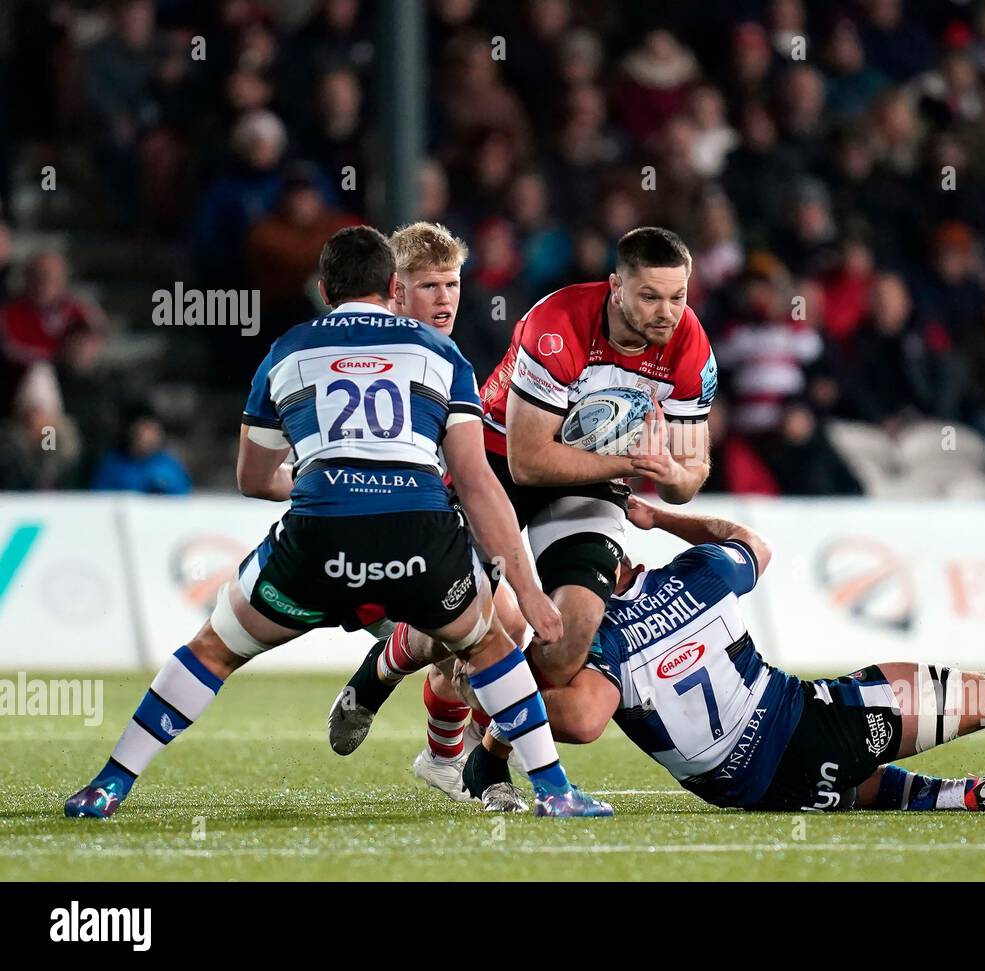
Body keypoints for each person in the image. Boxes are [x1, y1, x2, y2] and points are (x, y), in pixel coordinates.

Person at [64, 225, 611, 819]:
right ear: (391, 287)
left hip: (318, 540)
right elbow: (476, 483)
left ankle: (109, 784)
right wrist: (531, 593)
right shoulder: (441, 354)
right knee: (490, 645)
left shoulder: (288, 349)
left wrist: (318, 480)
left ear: (324, 289)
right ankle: (555, 791)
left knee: (212, 651)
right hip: (419, 540)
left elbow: (253, 478)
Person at [461, 496, 985, 813]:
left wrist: (497, 721)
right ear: (619, 550)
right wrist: (664, 514)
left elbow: (588, 720)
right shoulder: (688, 575)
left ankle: (960, 797)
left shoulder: (586, 646)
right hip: (799, 725)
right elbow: (753, 545)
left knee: (846, 773)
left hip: (741, 791)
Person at [328, 227, 717, 800]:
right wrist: (631, 457)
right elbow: (530, 463)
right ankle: (386, 673)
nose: (666, 313)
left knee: (568, 638)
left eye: (678, 297)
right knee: (487, 622)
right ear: (616, 289)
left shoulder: (690, 346)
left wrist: (671, 473)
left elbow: (689, 475)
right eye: (650, 297)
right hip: (497, 463)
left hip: (594, 474)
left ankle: (471, 754)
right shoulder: (557, 324)